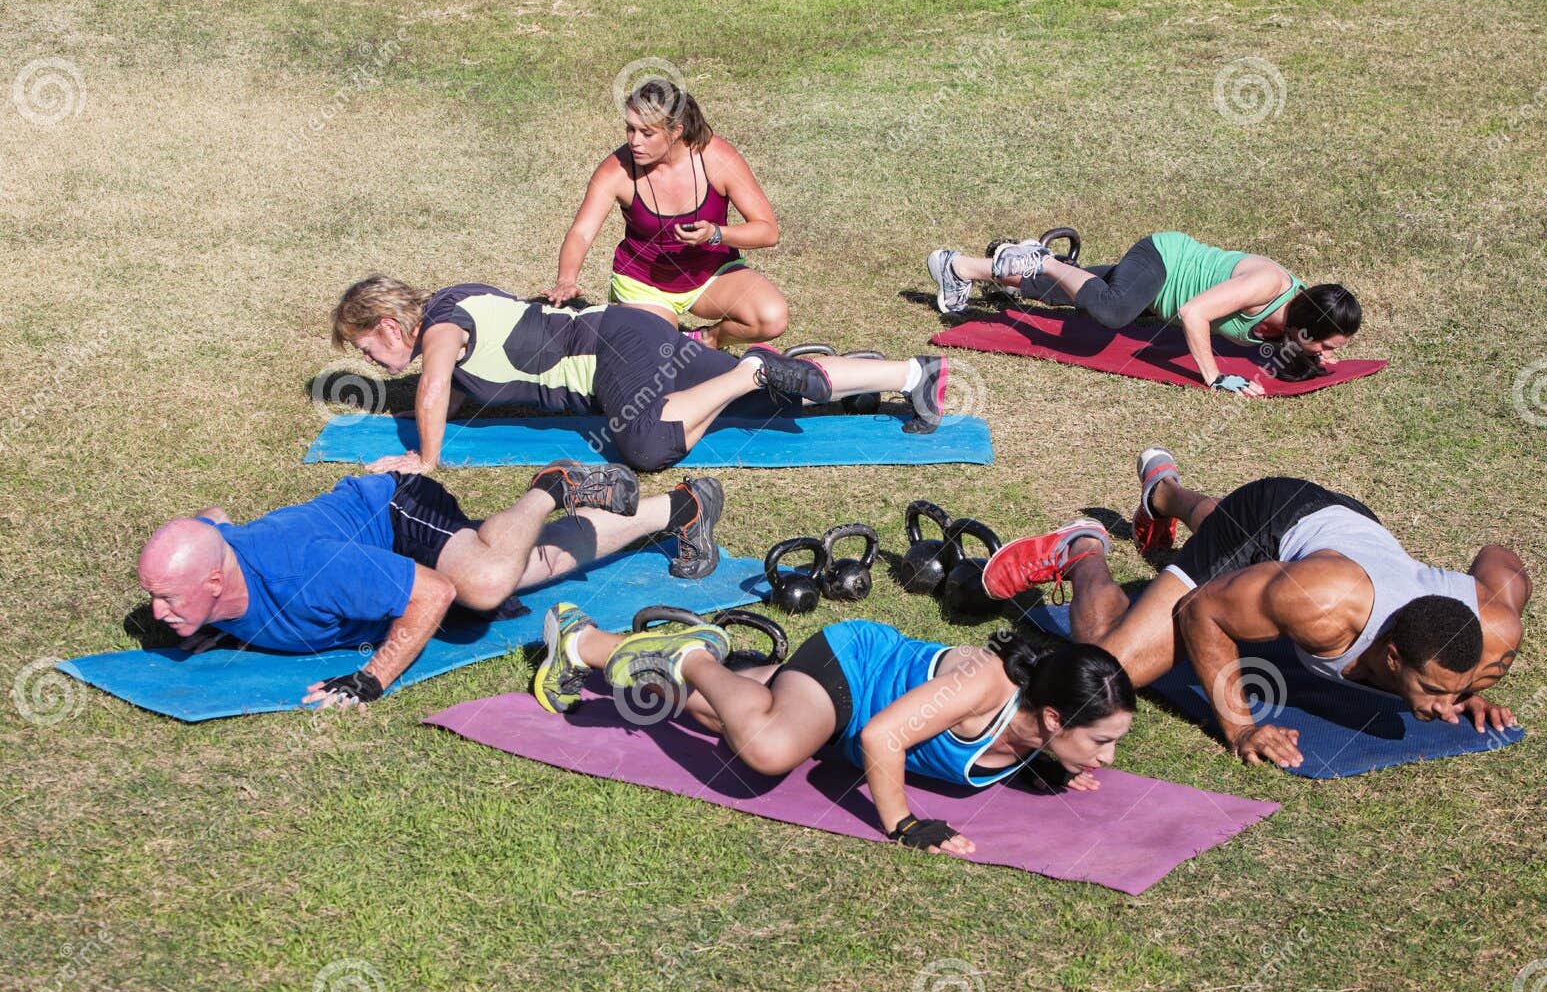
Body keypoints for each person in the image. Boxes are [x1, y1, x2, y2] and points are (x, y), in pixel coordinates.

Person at [980, 449, 1530, 768]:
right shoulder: (1322, 607)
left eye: (1452, 691)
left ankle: (1164, 493)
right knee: (1107, 667)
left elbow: (1501, 559)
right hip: (1272, 519)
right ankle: (1081, 550)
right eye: (1433, 690)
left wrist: (1468, 687)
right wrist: (1241, 728)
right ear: (1390, 655)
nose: (1445, 705)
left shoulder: (1494, 632)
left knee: (1254, 577)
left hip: (1344, 533)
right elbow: (1204, 612)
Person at [531, 605, 1135, 855]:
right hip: (850, 669)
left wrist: (1051, 763)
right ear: (1054, 717)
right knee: (767, 748)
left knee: (701, 710)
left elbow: (1018, 741)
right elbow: (882, 738)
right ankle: (691, 654)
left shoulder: (1038, 731)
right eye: (1101, 740)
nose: (1106, 756)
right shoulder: (980, 684)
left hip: (837, 720)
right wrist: (902, 823)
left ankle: (579, 640)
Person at [136, 462, 724, 708]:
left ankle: (550, 486)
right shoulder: (216, 574)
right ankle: (678, 509)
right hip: (369, 550)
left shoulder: (302, 573)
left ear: (215, 578)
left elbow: (431, 594)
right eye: (157, 596)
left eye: (169, 597)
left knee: (485, 584)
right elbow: (212, 519)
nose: (158, 612)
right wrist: (205, 617)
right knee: (524, 568)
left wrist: (371, 679)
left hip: (398, 511)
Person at [331, 276, 950, 473]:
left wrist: (425, 459)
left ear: (390, 324)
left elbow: (437, 385)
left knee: (647, 446)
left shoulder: (440, 331)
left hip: (616, 354)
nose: (371, 364)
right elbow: (462, 389)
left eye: (366, 350)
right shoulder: (456, 298)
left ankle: (752, 372)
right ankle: (906, 374)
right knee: (778, 408)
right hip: (633, 335)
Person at [927, 231, 1362, 395]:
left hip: (1155, 296)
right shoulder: (1265, 286)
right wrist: (1214, 376)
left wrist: (1317, 354)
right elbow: (1194, 314)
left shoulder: (1305, 324)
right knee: (1112, 313)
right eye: (1323, 343)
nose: (1323, 352)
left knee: (1066, 296)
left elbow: (1309, 341)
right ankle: (1044, 259)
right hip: (1162, 259)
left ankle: (959, 266)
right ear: (1304, 325)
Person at [545, 77, 786, 348]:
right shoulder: (617, 170)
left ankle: (708, 340)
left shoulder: (715, 157)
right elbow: (582, 232)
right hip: (643, 284)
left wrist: (716, 234)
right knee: (660, 351)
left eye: (646, 133)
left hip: (711, 275)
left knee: (771, 317)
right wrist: (566, 279)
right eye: (630, 129)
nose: (634, 141)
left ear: (676, 132)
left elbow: (768, 231)